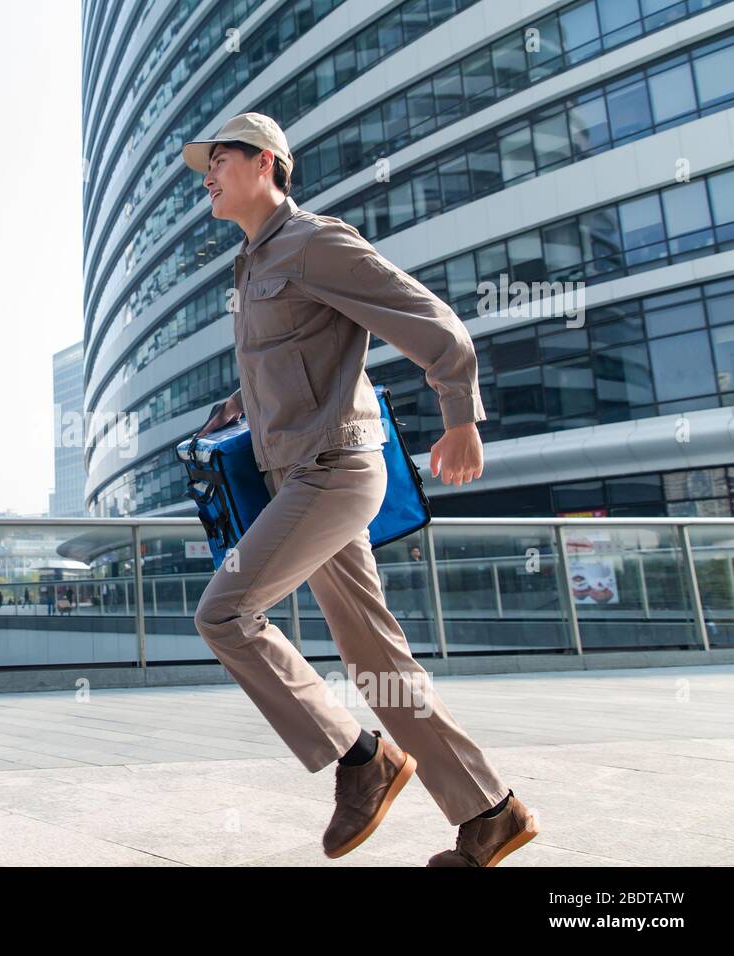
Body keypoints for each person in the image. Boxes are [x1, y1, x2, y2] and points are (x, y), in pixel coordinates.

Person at [181, 113, 536, 867]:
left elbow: (428, 319)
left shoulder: (315, 242)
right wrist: (237, 406)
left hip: (335, 471)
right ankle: (489, 813)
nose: (205, 176)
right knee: (377, 659)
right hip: (298, 479)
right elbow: (292, 361)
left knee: (225, 610)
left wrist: (460, 416)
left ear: (268, 162)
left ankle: (360, 759)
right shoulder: (250, 268)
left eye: (218, 160)